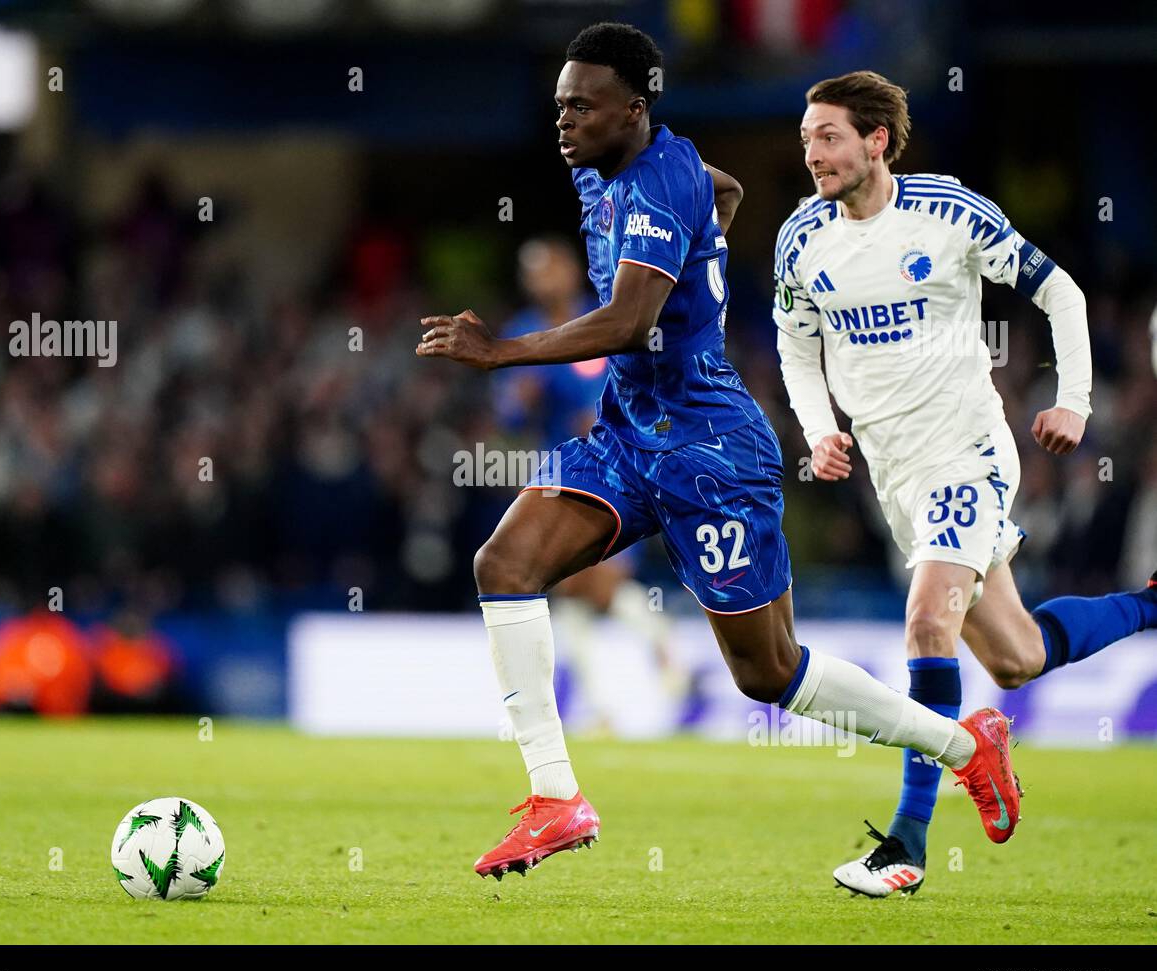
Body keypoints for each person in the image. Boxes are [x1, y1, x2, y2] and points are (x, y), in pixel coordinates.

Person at [418, 23, 1021, 882]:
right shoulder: (630, 168)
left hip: (710, 450)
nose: (564, 121)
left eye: (583, 107)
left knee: (769, 673)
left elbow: (628, 320)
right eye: (558, 105)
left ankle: (963, 744)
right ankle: (557, 799)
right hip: (630, 434)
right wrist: (713, 241)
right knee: (505, 561)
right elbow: (726, 190)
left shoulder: (657, 185)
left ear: (634, 108)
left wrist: (501, 351)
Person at [773, 70, 1157, 896]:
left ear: (876, 140)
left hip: (968, 452)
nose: (813, 154)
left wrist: (1074, 401)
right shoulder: (802, 238)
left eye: (829, 136)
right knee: (1015, 658)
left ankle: (906, 846)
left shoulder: (948, 211)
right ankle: (1154, 602)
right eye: (807, 139)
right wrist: (818, 428)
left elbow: (1059, 290)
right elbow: (796, 345)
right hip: (895, 474)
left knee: (925, 623)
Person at [497, 236, 688, 733]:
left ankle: (657, 655)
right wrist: (521, 396)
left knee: (589, 581)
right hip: (561, 472)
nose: (543, 280)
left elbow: (639, 379)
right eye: (533, 272)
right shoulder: (523, 331)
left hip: (616, 467)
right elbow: (509, 413)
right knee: (567, 587)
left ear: (569, 270)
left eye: (550, 268)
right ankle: (619, 691)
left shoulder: (603, 317)